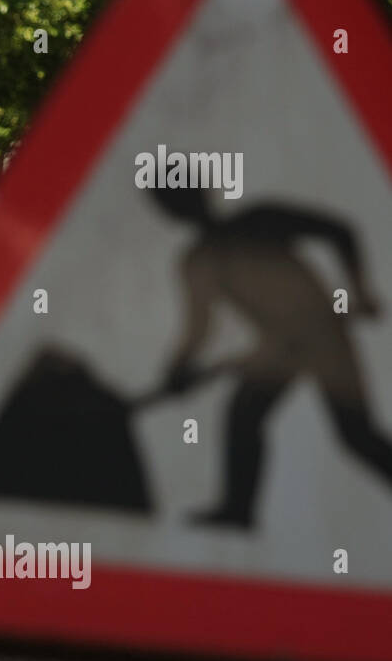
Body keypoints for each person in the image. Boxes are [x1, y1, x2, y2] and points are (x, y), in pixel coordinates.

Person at [155, 184, 392, 528]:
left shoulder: (261, 219)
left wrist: (360, 290)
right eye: (172, 201)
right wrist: (178, 369)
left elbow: (340, 231)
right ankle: (238, 512)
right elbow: (200, 326)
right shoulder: (198, 260)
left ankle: (237, 512)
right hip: (279, 348)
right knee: (243, 416)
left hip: (323, 335)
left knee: (355, 434)